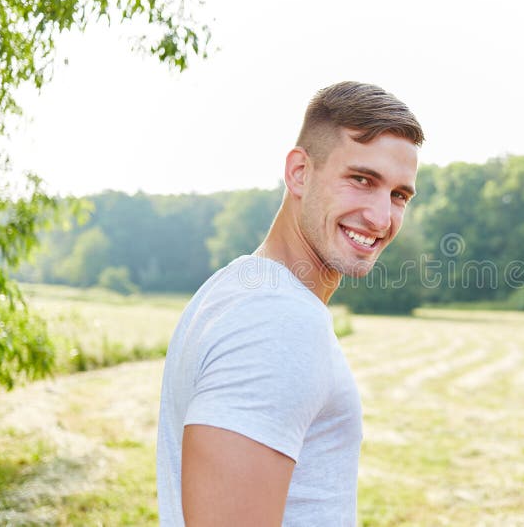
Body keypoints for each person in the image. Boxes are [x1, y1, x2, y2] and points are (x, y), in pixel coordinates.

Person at [156, 81, 424, 526]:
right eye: (361, 180)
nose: (381, 218)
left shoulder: (237, 288)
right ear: (300, 172)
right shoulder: (279, 322)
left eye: (399, 195)